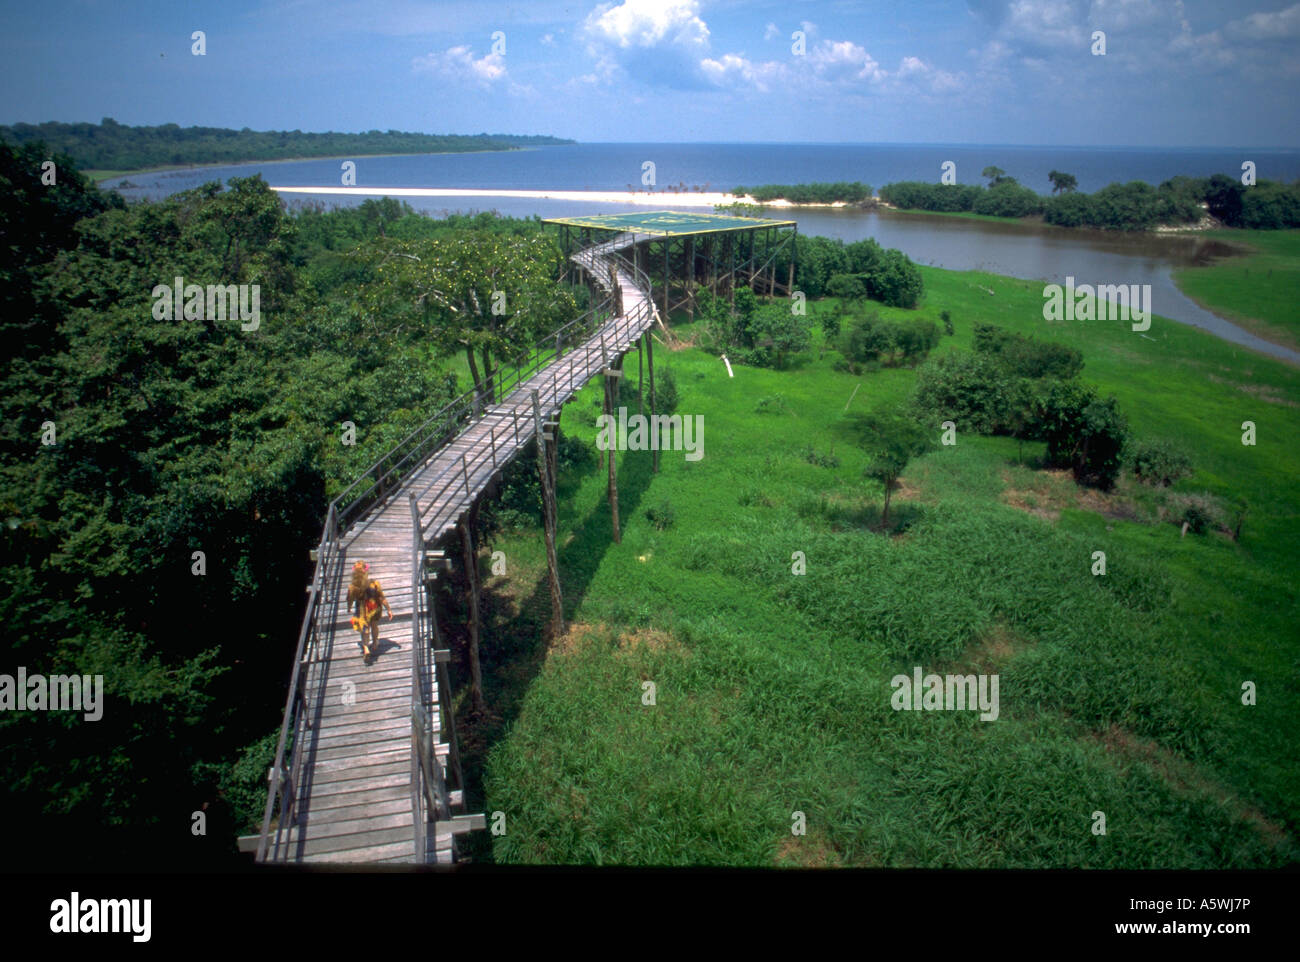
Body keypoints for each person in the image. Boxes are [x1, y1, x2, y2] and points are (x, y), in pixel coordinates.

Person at [346, 561, 392, 660]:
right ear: (366, 571)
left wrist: (349, 608)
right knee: (374, 626)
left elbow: (350, 599)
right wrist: (388, 609)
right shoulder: (374, 583)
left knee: (364, 630)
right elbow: (381, 598)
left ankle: (366, 648)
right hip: (373, 608)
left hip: (361, 610)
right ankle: (375, 642)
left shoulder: (352, 587)